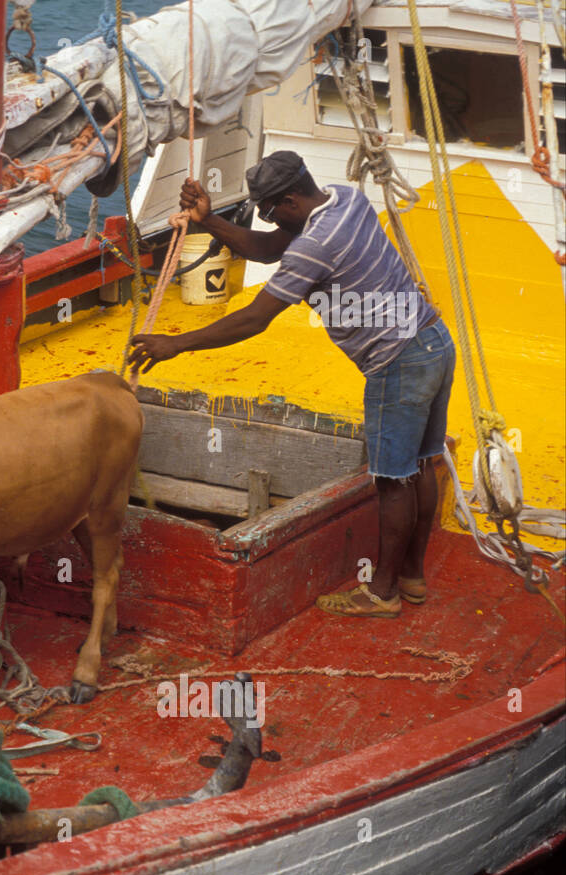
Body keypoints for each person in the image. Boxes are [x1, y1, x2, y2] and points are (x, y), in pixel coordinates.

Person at [129, 150, 456, 619]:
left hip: (397, 364)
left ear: (288, 201)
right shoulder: (346, 199)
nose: (265, 219)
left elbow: (255, 320)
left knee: (392, 481)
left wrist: (176, 344)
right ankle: (412, 578)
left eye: (267, 210)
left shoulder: (313, 247)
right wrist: (210, 221)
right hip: (433, 343)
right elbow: (265, 248)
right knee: (421, 465)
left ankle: (381, 593)